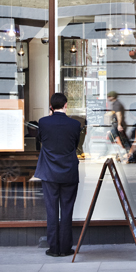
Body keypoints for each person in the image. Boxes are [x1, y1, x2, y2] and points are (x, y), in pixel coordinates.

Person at [34, 93, 83, 257]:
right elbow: (76, 145)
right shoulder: (75, 124)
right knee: (67, 210)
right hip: (69, 172)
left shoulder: (43, 122)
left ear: (51, 107)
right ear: (66, 105)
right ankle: (66, 247)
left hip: (49, 173)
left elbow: (40, 141)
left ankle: (54, 248)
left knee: (51, 210)